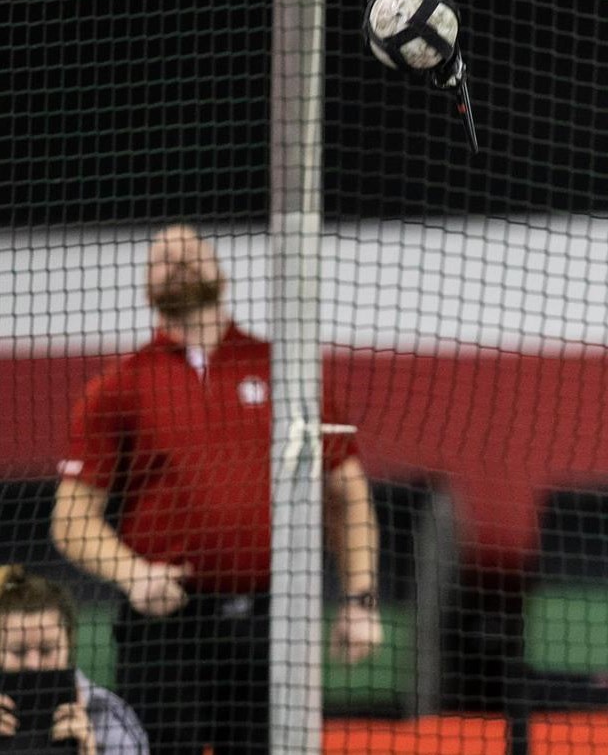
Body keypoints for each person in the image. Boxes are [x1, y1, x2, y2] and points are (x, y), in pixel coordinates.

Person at [50, 226, 383, 754]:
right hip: (165, 629)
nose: (178, 261)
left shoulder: (289, 370)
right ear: (145, 287)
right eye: (162, 258)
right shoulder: (117, 387)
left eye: (191, 252)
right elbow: (71, 521)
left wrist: (359, 600)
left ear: (221, 272)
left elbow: (347, 494)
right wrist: (134, 575)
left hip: (275, 622)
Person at [0, 564, 148, 754]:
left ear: (69, 643)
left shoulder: (107, 715)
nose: (33, 664)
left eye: (46, 650)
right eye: (18, 651)